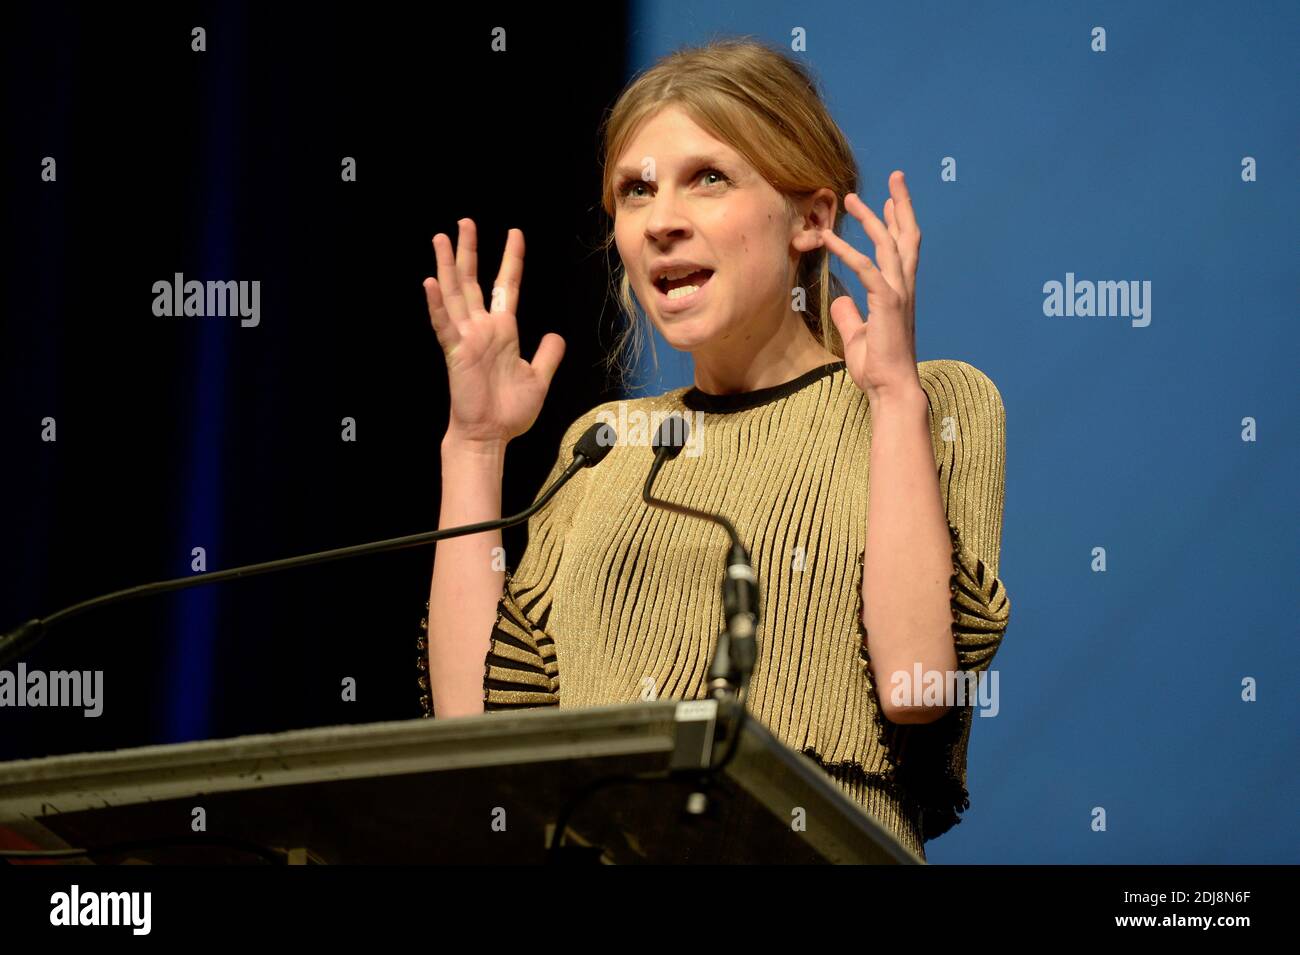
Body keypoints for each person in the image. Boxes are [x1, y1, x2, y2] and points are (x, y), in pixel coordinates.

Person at [417, 38, 1010, 862]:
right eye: (635, 191)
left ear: (811, 218)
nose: (661, 220)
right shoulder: (603, 450)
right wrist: (475, 448)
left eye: (710, 177)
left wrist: (894, 398)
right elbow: (471, 730)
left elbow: (915, 688)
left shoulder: (935, 404)